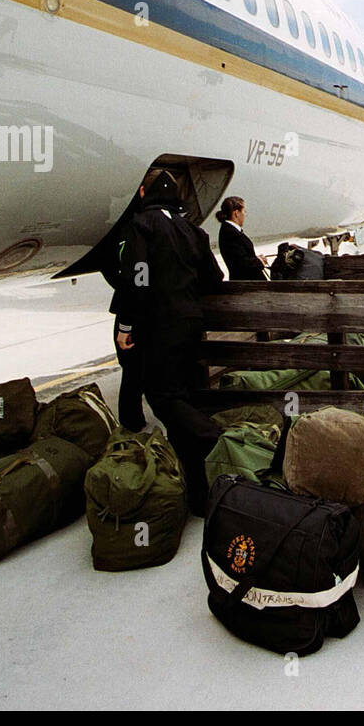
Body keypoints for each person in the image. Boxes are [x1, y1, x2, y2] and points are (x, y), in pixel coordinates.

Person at [113, 170, 228, 515]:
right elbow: (215, 277)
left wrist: (127, 324)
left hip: (159, 326)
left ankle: (219, 437)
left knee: (162, 398)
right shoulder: (192, 229)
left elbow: (138, 278)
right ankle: (200, 497)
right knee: (183, 399)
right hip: (192, 325)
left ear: (144, 191)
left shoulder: (142, 225)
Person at [216, 196, 267, 280]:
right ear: (236, 213)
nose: (245, 215)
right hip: (246, 285)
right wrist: (259, 261)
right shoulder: (230, 233)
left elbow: (240, 256)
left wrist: (256, 259)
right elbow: (240, 264)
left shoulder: (230, 230)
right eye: (244, 211)